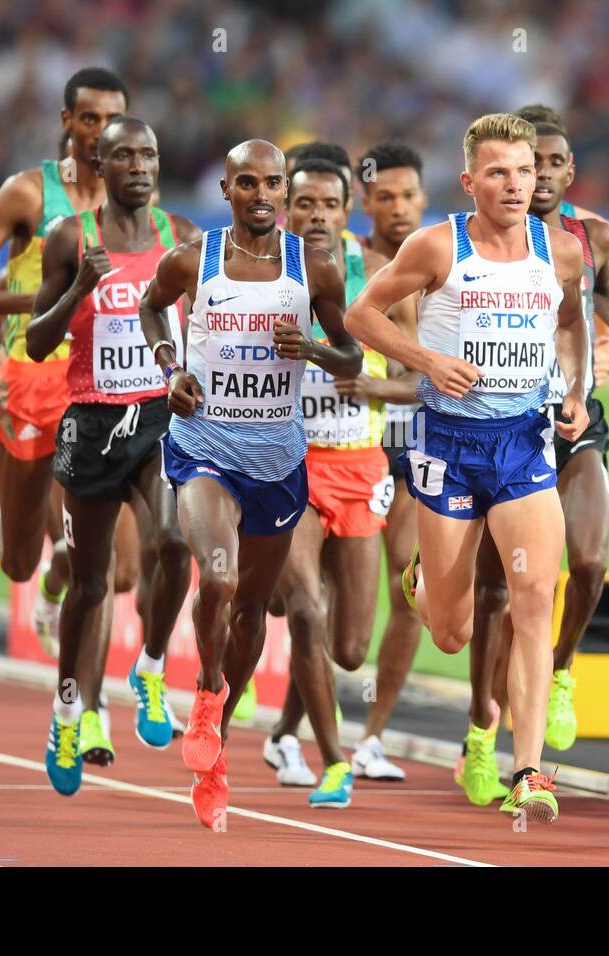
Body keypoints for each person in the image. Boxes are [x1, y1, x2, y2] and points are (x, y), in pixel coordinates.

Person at [346, 114, 591, 824]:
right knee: (451, 631)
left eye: (525, 172)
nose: (516, 185)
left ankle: (529, 770)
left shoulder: (561, 251)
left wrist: (576, 390)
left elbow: (572, 323)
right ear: (469, 181)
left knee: (533, 599)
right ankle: (423, 579)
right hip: (447, 447)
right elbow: (363, 315)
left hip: (522, 445)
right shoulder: (436, 247)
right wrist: (427, 360)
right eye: (498, 173)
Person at [138, 140, 363, 828]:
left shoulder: (315, 268)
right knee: (219, 577)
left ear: (282, 190)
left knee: (252, 612)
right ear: (227, 190)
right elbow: (151, 308)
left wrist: (314, 349)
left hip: (278, 460)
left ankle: (220, 733)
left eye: (272, 183)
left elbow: (351, 354)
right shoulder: (192, 260)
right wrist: (170, 367)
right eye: (247, 183)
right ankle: (207, 693)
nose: (261, 195)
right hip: (204, 447)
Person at [453, 118, 609, 806]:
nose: (541, 176)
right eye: (530, 165)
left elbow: (608, 310)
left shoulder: (591, 239)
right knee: (494, 595)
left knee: (589, 561)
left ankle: (559, 671)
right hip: (501, 426)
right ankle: (480, 730)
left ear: (567, 171)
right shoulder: (479, 244)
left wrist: (606, 357)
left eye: (551, 164)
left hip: (571, 419)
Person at [25, 117, 198, 794]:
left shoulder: (181, 237)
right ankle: (68, 711)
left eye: (148, 154)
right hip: (92, 424)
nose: (138, 166)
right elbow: (37, 343)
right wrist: (77, 290)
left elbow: (204, 323)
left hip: (159, 418)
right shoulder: (71, 238)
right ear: (98, 166)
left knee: (175, 541)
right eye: (123, 156)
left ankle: (151, 667)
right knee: (91, 584)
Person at [0, 69, 127, 654]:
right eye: (91, 118)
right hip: (31, 378)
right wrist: (46, 300)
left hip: (101, 384)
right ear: (68, 121)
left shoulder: (132, 200)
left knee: (112, 563)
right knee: (18, 563)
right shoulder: (27, 193)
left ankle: (74, 667)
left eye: (113, 120)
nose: (102, 132)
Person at [263, 158, 418, 803]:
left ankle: (282, 732)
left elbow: (422, 376)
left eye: (330, 204)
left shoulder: (381, 275)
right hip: (287, 461)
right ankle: (332, 762)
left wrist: (376, 386)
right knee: (304, 607)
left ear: (348, 211)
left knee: (349, 648)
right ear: (286, 209)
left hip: (359, 465)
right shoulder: (257, 272)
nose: (317, 216)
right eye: (305, 204)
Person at [353, 141, 431, 772]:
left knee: (408, 587)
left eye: (408, 196)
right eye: (386, 197)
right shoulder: (345, 261)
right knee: (323, 592)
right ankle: (292, 721)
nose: (399, 207)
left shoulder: (444, 261)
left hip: (410, 439)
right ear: (365, 201)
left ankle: (370, 738)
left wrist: (385, 385)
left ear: (424, 198)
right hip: (341, 439)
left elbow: (439, 374)